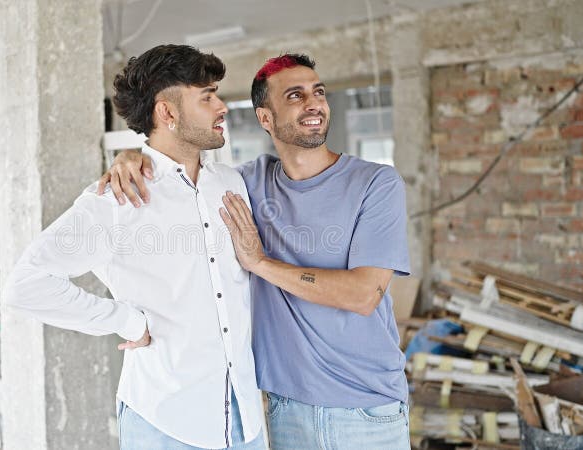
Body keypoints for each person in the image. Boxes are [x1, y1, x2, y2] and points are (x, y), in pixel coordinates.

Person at [100, 53, 411, 449]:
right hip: (282, 408)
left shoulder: (376, 184)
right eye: (295, 96)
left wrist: (260, 263)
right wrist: (135, 157)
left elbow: (364, 294)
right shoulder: (246, 183)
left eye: (318, 92)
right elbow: (182, 168)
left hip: (365, 409)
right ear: (266, 119)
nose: (314, 103)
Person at [2, 45, 264, 450]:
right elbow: (25, 284)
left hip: (243, 417)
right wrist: (127, 321)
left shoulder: (232, 184)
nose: (223, 107)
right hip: (165, 421)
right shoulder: (115, 199)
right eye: (207, 96)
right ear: (167, 113)